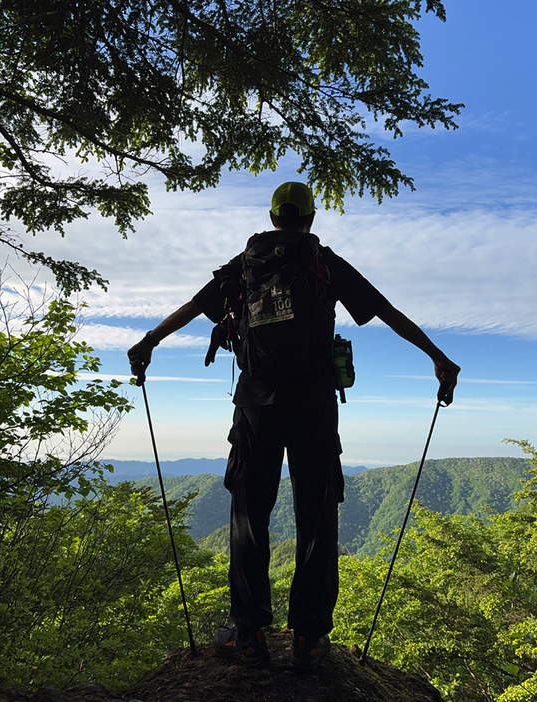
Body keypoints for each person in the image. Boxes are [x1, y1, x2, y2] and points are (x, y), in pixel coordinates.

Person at [128, 182, 459, 669]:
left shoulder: (245, 266)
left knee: (249, 515)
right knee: (317, 514)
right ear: (310, 218)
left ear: (272, 216)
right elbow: (386, 311)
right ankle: (308, 636)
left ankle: (250, 635)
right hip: (314, 404)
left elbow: (194, 309)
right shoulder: (323, 263)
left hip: (257, 404)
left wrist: (149, 341)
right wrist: (438, 358)